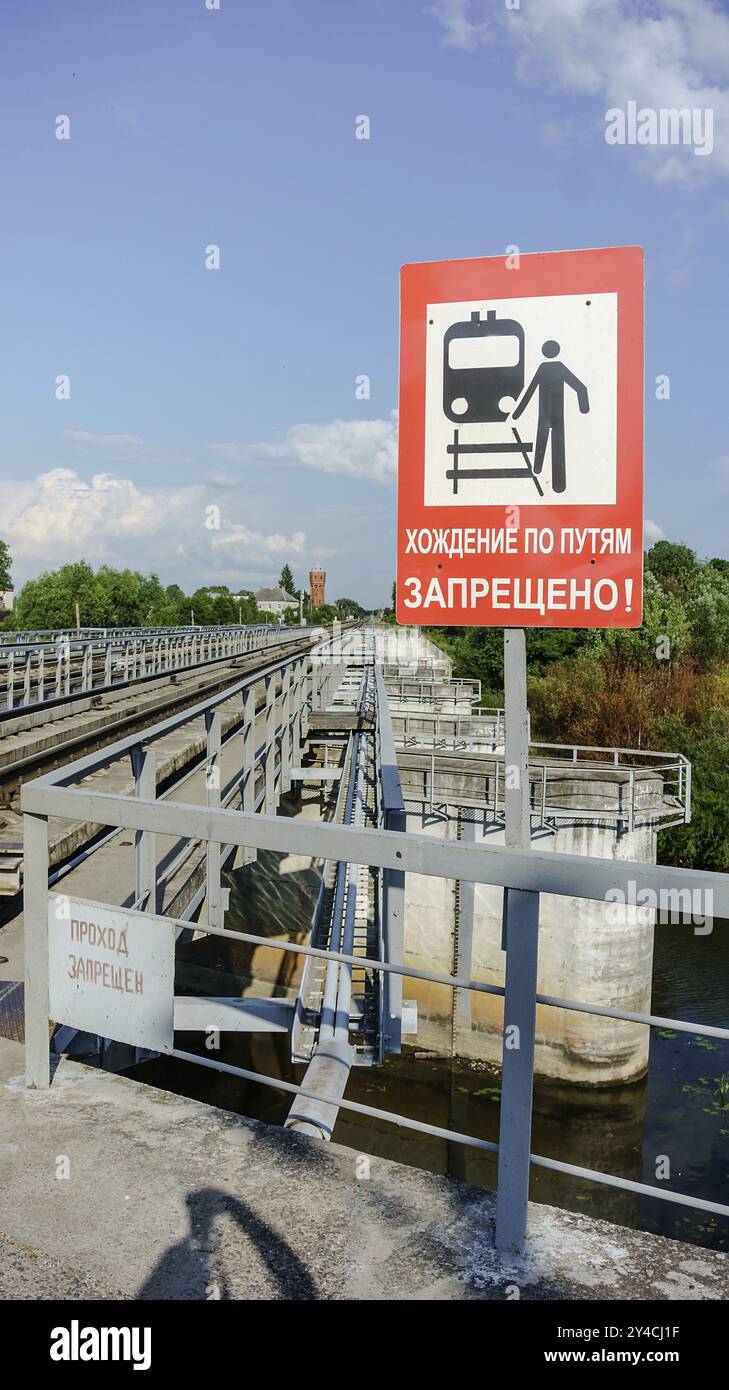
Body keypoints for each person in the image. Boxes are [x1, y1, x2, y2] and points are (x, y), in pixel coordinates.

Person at [511, 340, 589, 494]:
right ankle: (545, 476)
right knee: (552, 446)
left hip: (547, 415)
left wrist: (517, 413)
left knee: (545, 443)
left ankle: (544, 475)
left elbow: (530, 391)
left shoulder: (545, 368)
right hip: (553, 415)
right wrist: (583, 407)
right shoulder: (556, 368)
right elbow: (580, 388)